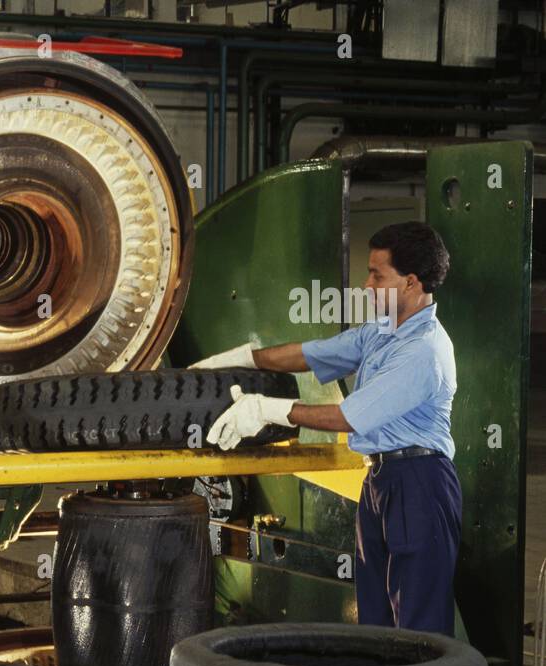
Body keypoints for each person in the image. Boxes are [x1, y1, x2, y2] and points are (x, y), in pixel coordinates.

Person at [195, 221, 460, 635]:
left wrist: (268, 410)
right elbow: (310, 355)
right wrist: (243, 359)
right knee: (375, 616)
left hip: (419, 483)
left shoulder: (423, 350)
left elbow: (349, 416)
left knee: (418, 626)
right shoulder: (383, 332)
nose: (367, 285)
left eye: (377, 276)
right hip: (380, 480)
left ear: (410, 282)